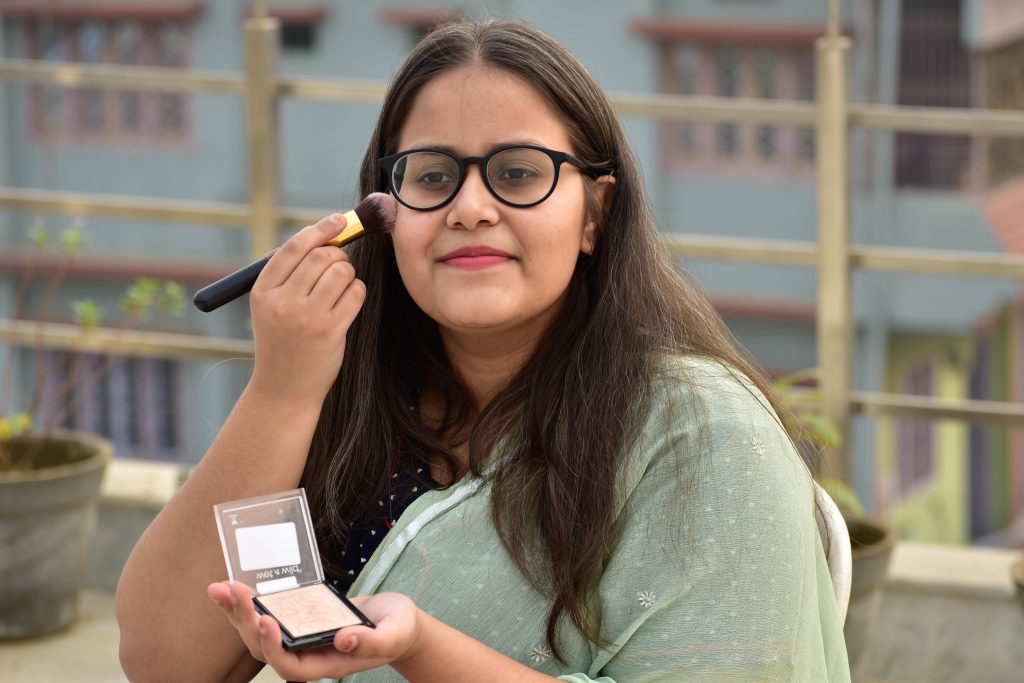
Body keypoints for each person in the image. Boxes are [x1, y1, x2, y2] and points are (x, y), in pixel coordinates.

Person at [116, 18, 851, 683]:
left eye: (519, 172)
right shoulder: (355, 400)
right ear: (384, 213)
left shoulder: (705, 437)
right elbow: (165, 663)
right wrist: (281, 392)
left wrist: (420, 646)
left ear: (597, 213)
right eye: (433, 176)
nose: (470, 207)